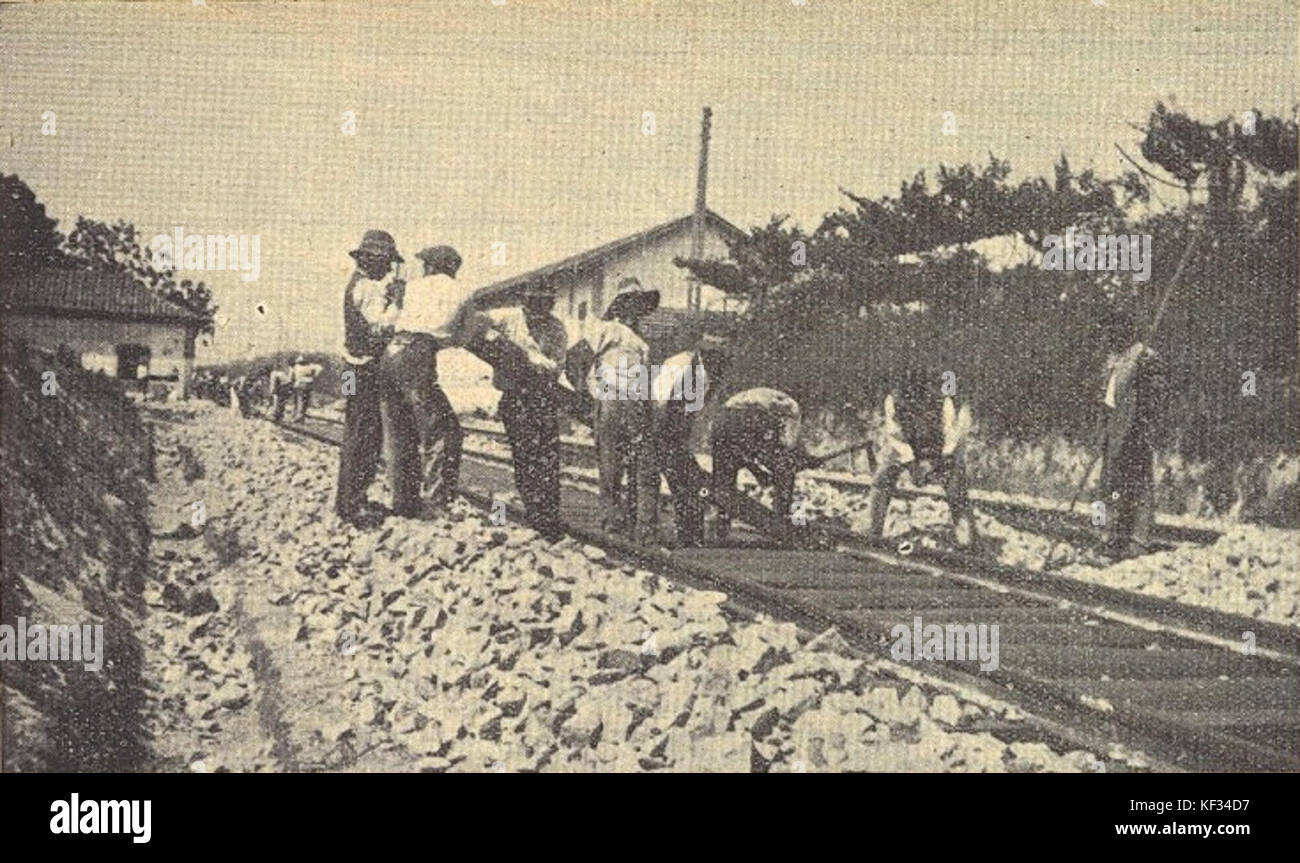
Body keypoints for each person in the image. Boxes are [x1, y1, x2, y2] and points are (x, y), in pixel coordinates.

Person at [379, 244, 471, 516]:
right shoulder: (463, 292)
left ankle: (402, 502)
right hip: (419, 356)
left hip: (390, 354)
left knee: (398, 431)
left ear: (430, 265)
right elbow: (460, 339)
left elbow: (389, 321)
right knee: (444, 431)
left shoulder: (411, 288)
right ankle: (436, 502)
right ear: (452, 267)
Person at [483, 281, 569, 541]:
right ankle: (535, 512)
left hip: (542, 396)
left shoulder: (556, 328)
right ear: (525, 302)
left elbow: (556, 364)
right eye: (534, 302)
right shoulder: (508, 319)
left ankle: (549, 514)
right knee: (526, 455)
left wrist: (534, 362)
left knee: (549, 457)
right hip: (515, 397)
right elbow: (479, 325)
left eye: (545, 303)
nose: (539, 309)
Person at [583, 276, 660, 543]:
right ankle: (612, 523)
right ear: (619, 305)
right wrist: (594, 395)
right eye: (629, 302)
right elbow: (580, 359)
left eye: (638, 304)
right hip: (612, 401)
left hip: (637, 404)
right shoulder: (607, 330)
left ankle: (644, 528)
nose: (634, 309)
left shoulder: (642, 342)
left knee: (644, 466)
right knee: (611, 466)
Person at [335, 229, 404, 526]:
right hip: (364, 369)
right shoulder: (369, 289)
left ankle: (348, 500)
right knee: (366, 434)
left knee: (355, 430)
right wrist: (397, 303)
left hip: (351, 367)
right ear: (372, 260)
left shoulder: (356, 285)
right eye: (386, 262)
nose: (389, 268)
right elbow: (380, 330)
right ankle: (352, 504)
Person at [861, 370, 976, 548]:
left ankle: (967, 541)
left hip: (940, 446)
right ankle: (872, 531)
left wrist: (940, 460)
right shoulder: (894, 399)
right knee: (881, 479)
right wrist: (911, 462)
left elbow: (952, 431)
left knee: (956, 486)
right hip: (908, 443)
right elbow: (895, 433)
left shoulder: (946, 395)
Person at [649, 333, 729, 546]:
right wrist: (659, 436)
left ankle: (690, 535)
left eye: (720, 356)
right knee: (654, 482)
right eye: (713, 355)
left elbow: (698, 407)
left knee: (690, 484)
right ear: (703, 351)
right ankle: (644, 535)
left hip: (676, 433)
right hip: (657, 427)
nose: (717, 360)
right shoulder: (679, 365)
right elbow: (658, 400)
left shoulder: (716, 371)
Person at [710, 387, 805, 543]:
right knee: (785, 472)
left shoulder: (769, 400)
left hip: (723, 417)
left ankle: (722, 524)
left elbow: (744, 450)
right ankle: (783, 522)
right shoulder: (790, 407)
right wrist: (761, 470)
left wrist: (758, 468)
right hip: (743, 418)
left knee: (724, 478)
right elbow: (786, 444)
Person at [1099, 340, 1164, 557]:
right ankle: (1103, 533)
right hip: (1111, 428)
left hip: (1134, 432)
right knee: (1107, 485)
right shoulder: (1113, 358)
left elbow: (1155, 394)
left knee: (1137, 487)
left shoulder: (1143, 356)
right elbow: (1106, 396)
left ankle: (1137, 541)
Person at [290, 355, 322, 422]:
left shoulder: (296, 367)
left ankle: (297, 416)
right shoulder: (310, 366)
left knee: (299, 401)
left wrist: (291, 383)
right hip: (309, 384)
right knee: (305, 401)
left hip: (299, 384)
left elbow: (291, 377)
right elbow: (319, 368)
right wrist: (314, 376)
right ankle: (301, 416)